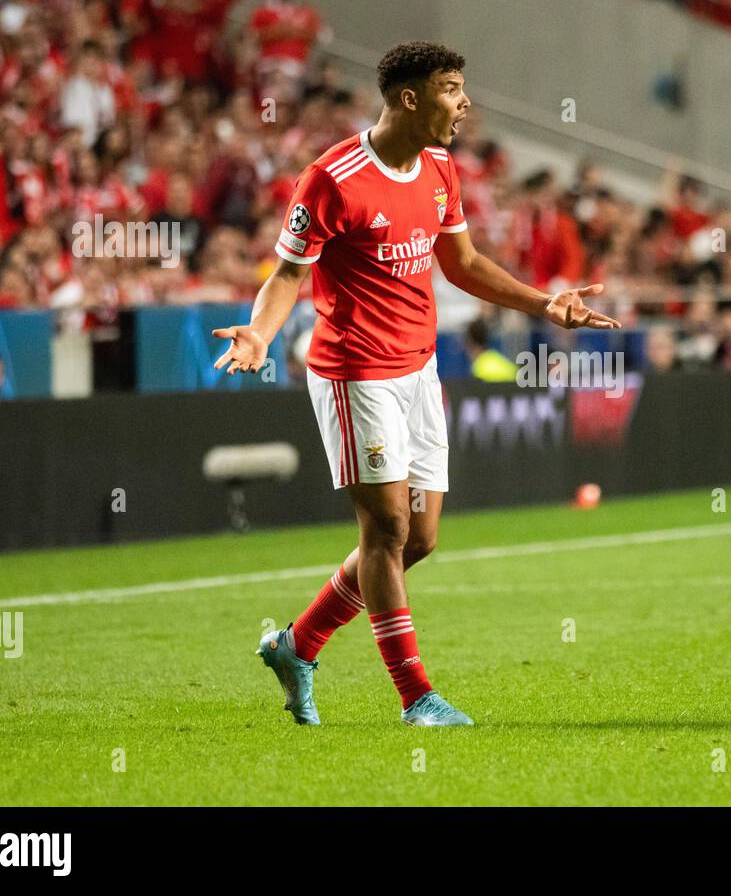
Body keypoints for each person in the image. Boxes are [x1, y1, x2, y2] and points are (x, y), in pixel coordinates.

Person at [212, 43, 620, 727]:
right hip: (355, 373)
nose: (464, 104)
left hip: (418, 370)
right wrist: (258, 331)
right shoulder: (332, 178)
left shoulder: (438, 167)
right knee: (387, 526)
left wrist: (545, 304)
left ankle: (297, 645)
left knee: (421, 538)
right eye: (452, 89)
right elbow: (288, 274)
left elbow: (460, 263)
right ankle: (415, 698)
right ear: (409, 97)